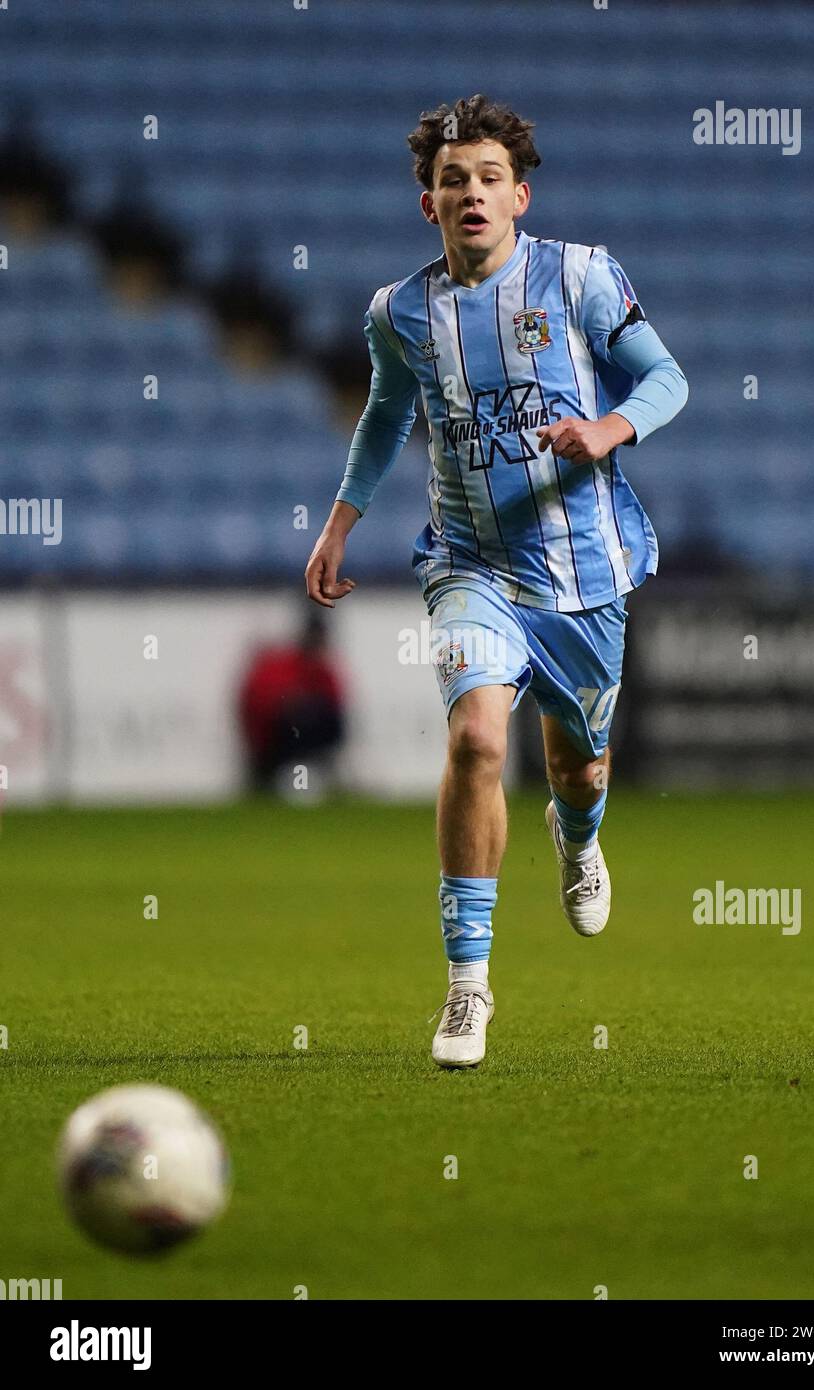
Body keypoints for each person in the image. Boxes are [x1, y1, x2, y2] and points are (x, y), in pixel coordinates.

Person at [305, 94, 688, 1068]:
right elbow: (389, 414)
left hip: (583, 573)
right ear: (425, 203)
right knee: (477, 738)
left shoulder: (580, 277)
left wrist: (607, 428)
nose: (468, 193)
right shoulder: (399, 312)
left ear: (518, 195)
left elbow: (666, 379)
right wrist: (341, 520)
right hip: (470, 561)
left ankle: (578, 835)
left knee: (577, 765)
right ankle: (466, 989)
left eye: (486, 178)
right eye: (449, 180)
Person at [238, 609, 346, 799]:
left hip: (313, 743)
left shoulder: (324, 672)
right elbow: (257, 708)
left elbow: (336, 713)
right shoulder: (278, 667)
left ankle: (316, 774)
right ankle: (273, 780)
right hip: (275, 744)